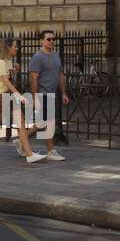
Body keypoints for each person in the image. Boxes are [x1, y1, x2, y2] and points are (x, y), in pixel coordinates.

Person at [0, 39, 46, 163]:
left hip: (8, 95)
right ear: (8, 48)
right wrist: (19, 95)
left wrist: (16, 68)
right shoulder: (1, 62)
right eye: (15, 46)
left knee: (20, 123)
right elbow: (5, 81)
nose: (17, 48)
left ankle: (29, 154)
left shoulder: (7, 61)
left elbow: (10, 73)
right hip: (2, 96)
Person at [28, 29, 71, 160]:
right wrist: (35, 97)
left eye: (53, 39)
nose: (52, 41)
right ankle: (51, 151)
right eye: (49, 39)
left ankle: (22, 139)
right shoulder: (38, 57)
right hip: (43, 93)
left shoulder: (56, 55)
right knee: (49, 122)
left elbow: (60, 75)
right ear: (41, 41)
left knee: (42, 123)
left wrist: (63, 92)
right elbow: (34, 78)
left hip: (53, 93)